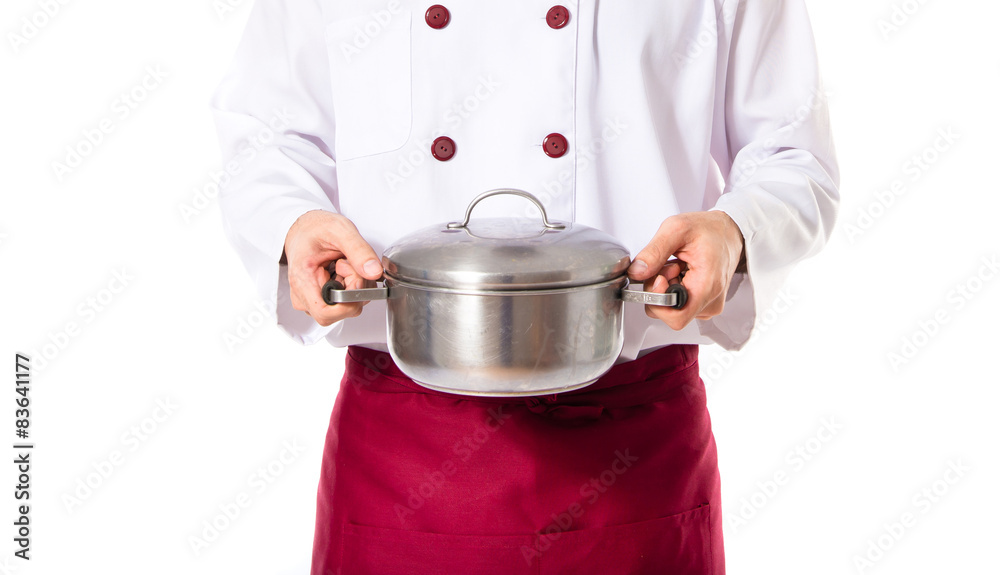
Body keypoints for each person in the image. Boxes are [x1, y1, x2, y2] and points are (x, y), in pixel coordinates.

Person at [211, 1, 839, 573]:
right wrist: (293, 223)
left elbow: (792, 155)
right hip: (405, 452)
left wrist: (733, 230)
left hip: (633, 444)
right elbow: (267, 137)